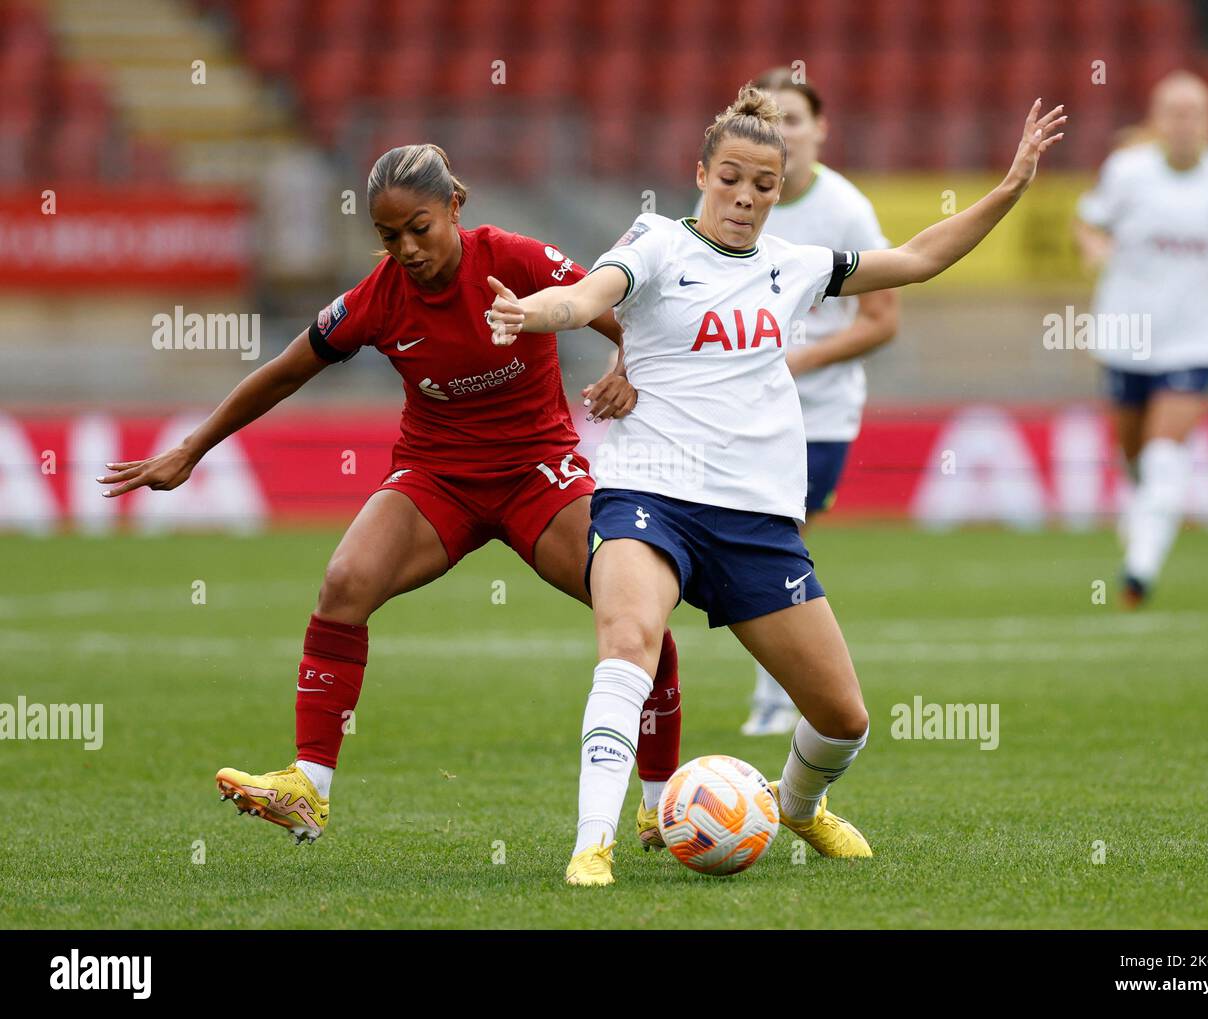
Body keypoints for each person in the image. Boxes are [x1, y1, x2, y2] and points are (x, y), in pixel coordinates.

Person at [487, 86, 1066, 885]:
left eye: (763, 184)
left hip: (755, 519)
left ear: (780, 188)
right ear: (701, 171)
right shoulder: (657, 241)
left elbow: (921, 258)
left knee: (843, 719)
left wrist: (1008, 189)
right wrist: (534, 314)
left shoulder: (794, 267)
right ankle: (594, 842)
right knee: (628, 644)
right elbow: (588, 296)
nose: (745, 197)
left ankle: (797, 806)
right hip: (647, 495)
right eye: (730, 178)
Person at [97, 143, 684, 845]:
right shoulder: (376, 299)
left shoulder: (519, 258)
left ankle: (656, 805)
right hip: (437, 478)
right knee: (344, 582)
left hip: (538, 473)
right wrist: (192, 448)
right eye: (388, 235)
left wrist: (625, 364)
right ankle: (308, 787)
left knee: (632, 606)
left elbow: (625, 318)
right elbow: (286, 372)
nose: (405, 248)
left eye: (419, 228)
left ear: (455, 209)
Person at [736, 67, 900, 737]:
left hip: (819, 413)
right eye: (769, 120)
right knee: (750, 544)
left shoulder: (846, 210)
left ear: (821, 129)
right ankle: (781, 685)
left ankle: (780, 694)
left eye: (794, 119)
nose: (783, 132)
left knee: (777, 542)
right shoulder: (741, 202)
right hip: (742, 407)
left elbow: (882, 320)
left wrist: (798, 358)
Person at [1074, 71, 1208, 607]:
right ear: (1156, 120)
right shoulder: (1126, 172)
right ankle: (1144, 514)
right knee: (1135, 455)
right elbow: (1088, 221)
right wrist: (1093, 249)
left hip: (1195, 339)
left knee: (1163, 451)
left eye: (1194, 113)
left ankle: (1140, 569)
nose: (1184, 123)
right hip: (1125, 332)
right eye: (1174, 112)